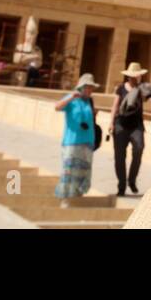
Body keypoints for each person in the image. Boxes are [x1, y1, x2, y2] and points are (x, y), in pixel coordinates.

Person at [111, 62, 151, 197]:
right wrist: (111, 123)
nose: (135, 78)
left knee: (139, 149)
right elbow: (115, 105)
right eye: (134, 76)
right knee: (119, 156)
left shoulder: (141, 89)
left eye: (137, 76)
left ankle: (132, 180)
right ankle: (121, 185)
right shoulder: (120, 89)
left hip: (136, 126)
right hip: (120, 125)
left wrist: (140, 87)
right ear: (128, 76)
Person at [54, 74, 98, 206]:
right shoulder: (72, 99)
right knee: (69, 170)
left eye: (91, 88)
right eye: (88, 88)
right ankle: (65, 198)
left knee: (83, 171)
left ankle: (77, 197)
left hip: (88, 141)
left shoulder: (90, 101)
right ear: (82, 88)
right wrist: (71, 97)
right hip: (72, 141)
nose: (90, 91)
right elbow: (57, 107)